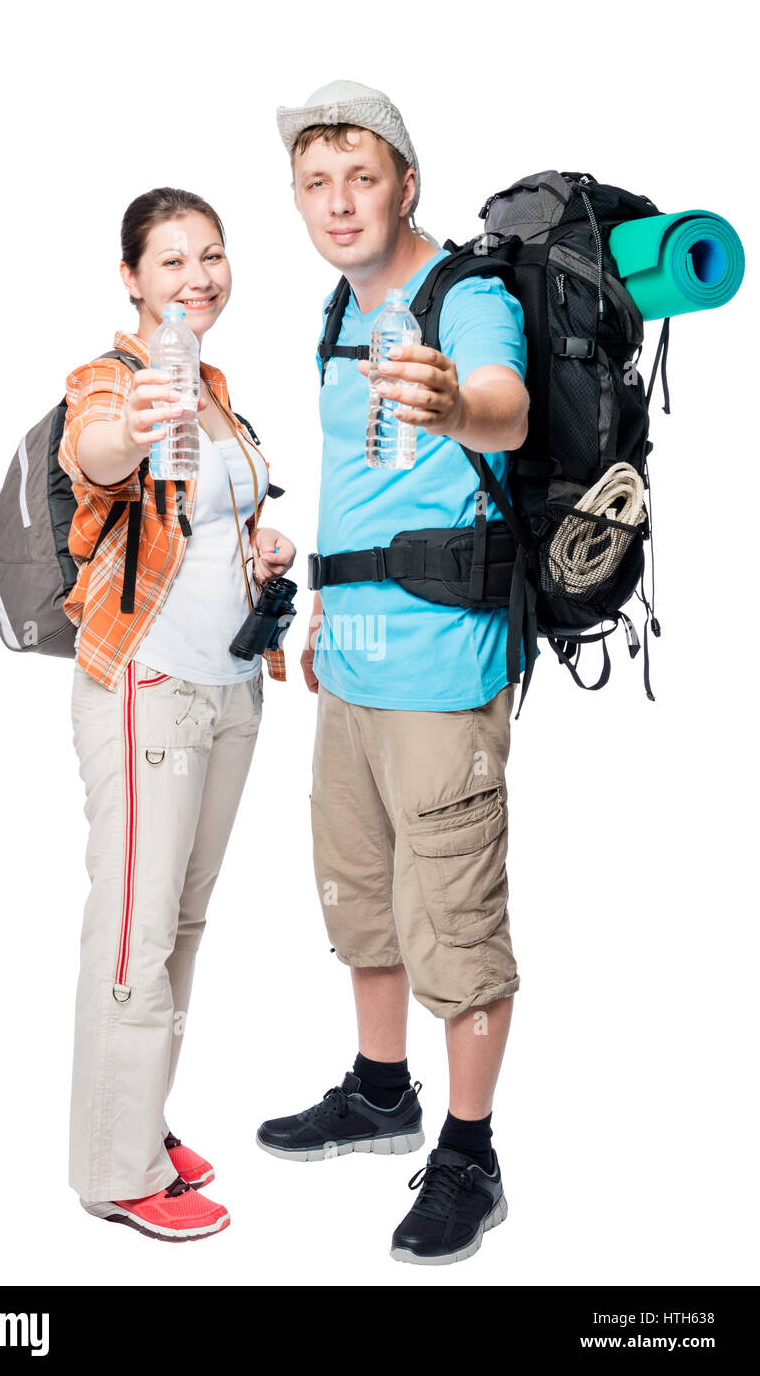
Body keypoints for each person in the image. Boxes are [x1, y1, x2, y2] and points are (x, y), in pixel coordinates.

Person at [257, 82, 531, 1265]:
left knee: (455, 918)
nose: (339, 203)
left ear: (405, 183)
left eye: (361, 178)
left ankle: (469, 1156)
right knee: (359, 892)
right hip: (354, 657)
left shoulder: (462, 298)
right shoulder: (337, 308)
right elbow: (354, 484)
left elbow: (505, 409)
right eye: (317, 184)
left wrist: (455, 398)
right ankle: (382, 1093)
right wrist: (324, 610)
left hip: (443, 669)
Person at [60, 186, 295, 1243]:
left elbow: (211, 522)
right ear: (131, 277)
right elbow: (97, 454)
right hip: (147, 688)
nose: (198, 277)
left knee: (182, 924)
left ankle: (143, 1120)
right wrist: (134, 422)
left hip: (231, 687)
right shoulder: (115, 381)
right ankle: (116, 1170)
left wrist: (260, 550)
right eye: (172, 261)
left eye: (212, 255)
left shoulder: (217, 390)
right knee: (133, 929)